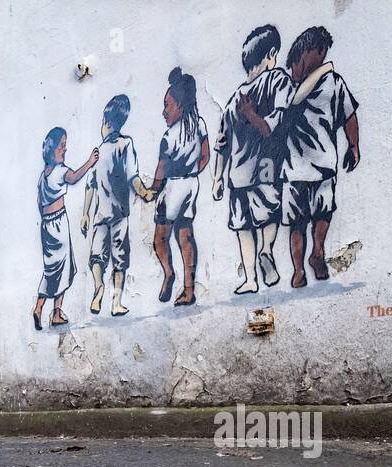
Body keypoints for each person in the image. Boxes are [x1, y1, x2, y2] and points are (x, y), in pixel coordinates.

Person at [239, 26, 360, 288]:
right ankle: (298, 270)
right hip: (293, 170)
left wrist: (354, 146)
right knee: (296, 223)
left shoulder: (333, 82)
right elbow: (269, 126)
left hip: (325, 164)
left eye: (324, 53)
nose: (322, 57)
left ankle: (317, 253)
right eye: (319, 52)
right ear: (305, 51)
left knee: (323, 214)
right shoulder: (285, 87)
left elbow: (349, 114)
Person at [213, 24, 293, 294]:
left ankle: (250, 279)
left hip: (237, 173)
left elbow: (222, 145)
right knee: (269, 214)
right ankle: (267, 249)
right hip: (266, 165)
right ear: (271, 54)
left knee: (242, 227)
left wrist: (216, 179)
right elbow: (272, 125)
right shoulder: (278, 80)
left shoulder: (234, 98)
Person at [81, 95, 154, 317]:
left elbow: (90, 186)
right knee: (119, 260)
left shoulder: (98, 152)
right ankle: (116, 302)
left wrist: (85, 214)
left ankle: (98, 287)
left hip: (100, 214)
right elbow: (133, 177)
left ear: (107, 123)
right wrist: (145, 193)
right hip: (120, 213)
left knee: (97, 257)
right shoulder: (126, 144)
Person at [150, 68, 209, 307]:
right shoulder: (199, 124)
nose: (164, 111)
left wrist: (151, 190)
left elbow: (161, 169)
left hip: (173, 188)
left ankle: (168, 272)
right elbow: (205, 155)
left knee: (159, 238)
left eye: (167, 105)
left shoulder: (169, 136)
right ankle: (189, 289)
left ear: (180, 106)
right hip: (191, 185)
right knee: (186, 237)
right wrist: (194, 171)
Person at [32, 127, 97, 329]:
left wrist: (45, 219)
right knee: (62, 268)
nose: (65, 149)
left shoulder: (44, 175)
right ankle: (52, 311)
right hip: (59, 223)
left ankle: (44, 309)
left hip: (46, 224)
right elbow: (75, 176)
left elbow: (38, 201)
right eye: (62, 146)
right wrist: (90, 162)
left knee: (52, 269)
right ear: (52, 150)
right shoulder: (60, 171)